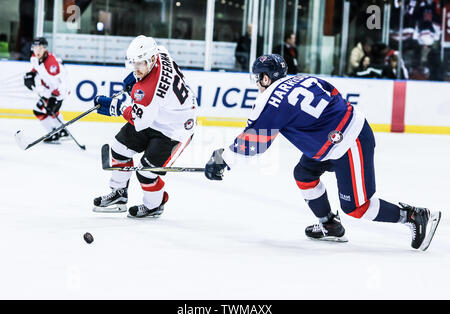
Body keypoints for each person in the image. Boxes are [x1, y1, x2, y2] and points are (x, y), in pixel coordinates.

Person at [204, 54, 441, 251]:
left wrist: (221, 159)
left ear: (266, 77)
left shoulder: (269, 100)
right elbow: (334, 95)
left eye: (258, 78)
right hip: (337, 140)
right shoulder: (303, 79)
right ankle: (329, 225)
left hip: (349, 143)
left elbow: (255, 140)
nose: (257, 83)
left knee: (358, 207)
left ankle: (413, 216)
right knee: (304, 174)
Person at [92, 35, 197, 218]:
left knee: (146, 172)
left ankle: (154, 205)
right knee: (119, 148)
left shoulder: (150, 92)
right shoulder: (160, 52)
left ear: (151, 59)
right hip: (160, 114)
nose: (136, 68)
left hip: (176, 130)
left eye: (140, 64)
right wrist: (134, 78)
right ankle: (119, 193)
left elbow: (140, 121)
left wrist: (117, 108)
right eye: (134, 63)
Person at [23, 37, 70, 143]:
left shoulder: (52, 64)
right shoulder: (34, 58)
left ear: (45, 49)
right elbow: (36, 67)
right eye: (35, 48)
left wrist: (54, 98)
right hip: (49, 90)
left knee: (45, 110)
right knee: (49, 110)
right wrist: (31, 74)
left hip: (60, 91)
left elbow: (61, 83)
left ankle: (56, 133)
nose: (37, 51)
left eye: (40, 48)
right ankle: (61, 131)